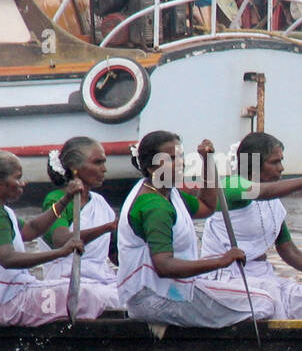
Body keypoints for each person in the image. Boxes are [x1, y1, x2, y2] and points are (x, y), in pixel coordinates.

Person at [117, 132, 276, 326]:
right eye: (171, 159)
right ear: (151, 167)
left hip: (169, 291)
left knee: (256, 297)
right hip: (156, 299)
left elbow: (207, 206)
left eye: (181, 157)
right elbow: (164, 266)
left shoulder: (168, 193)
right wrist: (221, 262)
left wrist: (207, 162)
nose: (181, 163)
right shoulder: (155, 206)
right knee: (263, 302)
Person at [197, 132, 302, 320]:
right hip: (227, 278)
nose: (281, 168)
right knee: (270, 302)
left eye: (281, 161)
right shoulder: (231, 185)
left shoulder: (273, 200)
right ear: (253, 164)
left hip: (264, 276)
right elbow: (261, 192)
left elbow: (287, 249)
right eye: (275, 162)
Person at [0, 151, 116, 325]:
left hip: (16, 293)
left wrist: (66, 198)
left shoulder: (6, 212)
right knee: (86, 294)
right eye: (17, 178)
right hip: (10, 302)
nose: (22, 183)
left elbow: (31, 229)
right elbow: (8, 259)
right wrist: (60, 253)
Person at [40, 137, 119, 306]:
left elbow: (114, 253)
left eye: (104, 162)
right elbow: (60, 240)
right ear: (74, 168)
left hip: (101, 279)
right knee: (92, 295)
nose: (104, 169)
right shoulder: (56, 200)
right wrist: (106, 228)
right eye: (97, 162)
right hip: (65, 282)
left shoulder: (101, 203)